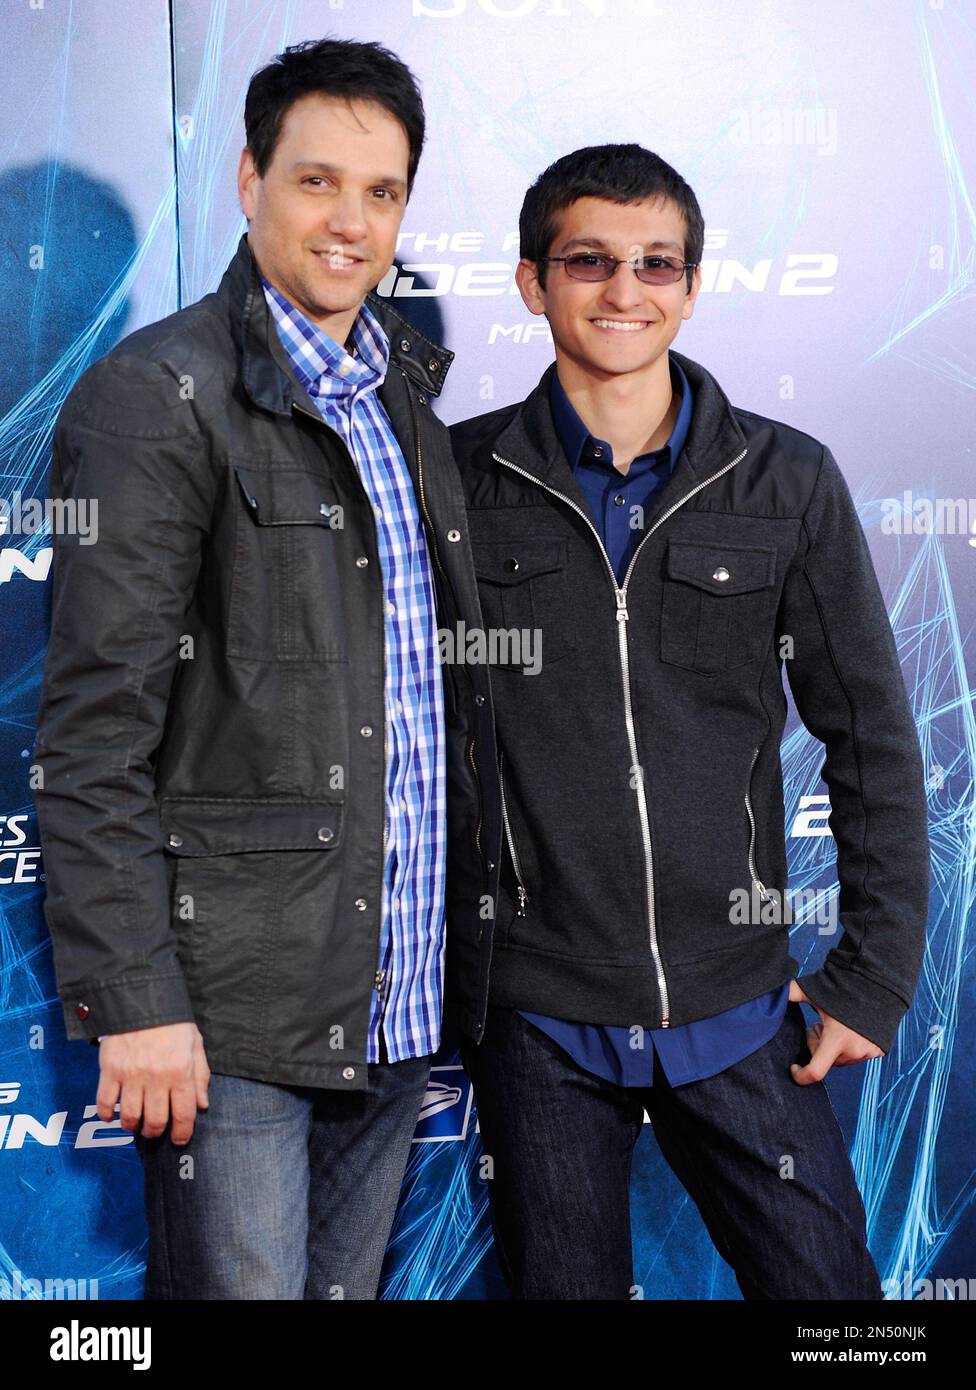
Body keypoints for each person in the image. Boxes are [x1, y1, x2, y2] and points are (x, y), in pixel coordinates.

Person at [32, 36, 497, 1300]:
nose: (351, 222)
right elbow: (91, 735)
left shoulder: (403, 399)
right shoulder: (159, 397)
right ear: (247, 179)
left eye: (382, 192)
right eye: (316, 181)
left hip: (395, 1001)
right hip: (230, 1017)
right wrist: (135, 999)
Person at [448, 143, 930, 1300]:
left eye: (656, 263)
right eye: (589, 261)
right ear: (531, 282)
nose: (625, 290)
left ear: (692, 286)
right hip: (540, 1018)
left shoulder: (785, 479)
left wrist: (872, 976)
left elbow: (870, 737)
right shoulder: (452, 481)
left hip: (738, 1004)